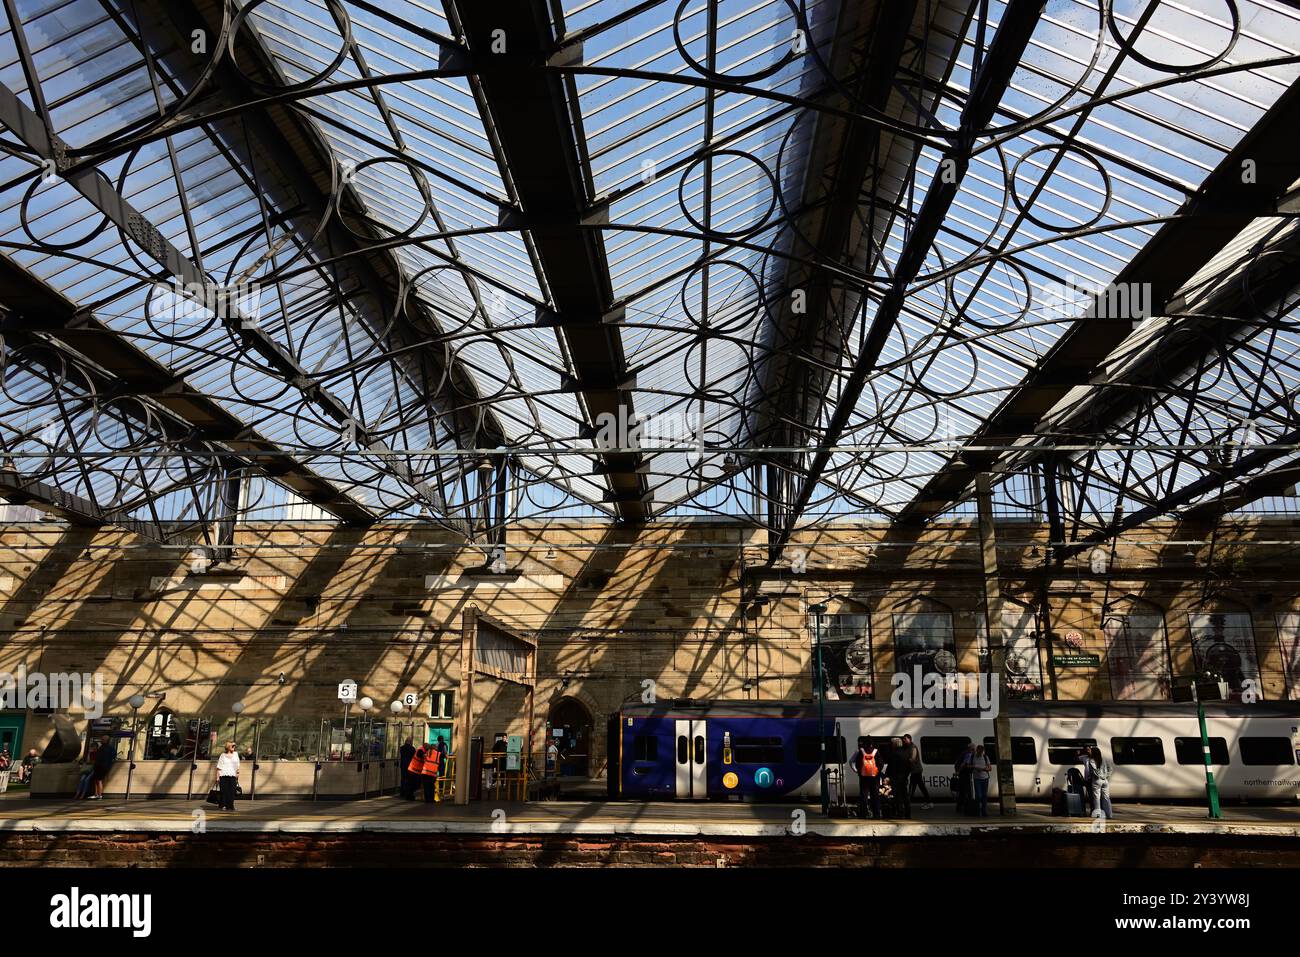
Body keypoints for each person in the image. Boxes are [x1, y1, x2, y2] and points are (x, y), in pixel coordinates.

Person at [882, 736, 912, 819]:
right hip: (904, 778)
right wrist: (906, 775)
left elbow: (891, 767)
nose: (891, 745)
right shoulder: (906, 753)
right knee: (905, 796)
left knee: (897, 796)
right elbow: (909, 766)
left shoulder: (894, 754)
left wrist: (887, 776)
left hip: (896, 778)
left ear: (894, 745)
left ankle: (900, 813)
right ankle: (908, 813)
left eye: (892, 744)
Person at [902, 734, 933, 810]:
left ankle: (907, 804)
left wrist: (905, 761)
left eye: (905, 739)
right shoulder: (908, 747)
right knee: (921, 787)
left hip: (916, 771)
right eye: (903, 739)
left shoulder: (913, 747)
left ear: (910, 739)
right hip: (915, 770)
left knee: (912, 787)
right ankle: (929, 802)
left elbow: (913, 758)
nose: (904, 740)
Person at [852, 737, 881, 820]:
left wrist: (859, 773)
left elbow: (857, 763)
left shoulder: (861, 751)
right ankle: (877, 814)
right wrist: (877, 772)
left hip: (864, 778)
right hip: (874, 778)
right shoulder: (876, 751)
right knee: (875, 796)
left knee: (863, 796)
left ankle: (863, 814)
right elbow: (880, 763)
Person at [1085, 745, 1113, 819]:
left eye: (1091, 751)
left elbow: (1094, 772)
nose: (1090, 752)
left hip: (1097, 781)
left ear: (1093, 752)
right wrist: (1106, 776)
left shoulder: (1092, 760)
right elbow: (1110, 769)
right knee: (1106, 797)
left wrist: (1100, 777)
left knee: (1096, 798)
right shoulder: (1104, 759)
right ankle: (1109, 814)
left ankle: (1098, 814)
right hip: (1105, 781)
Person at [88, 735, 116, 800]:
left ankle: (99, 795)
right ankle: (96, 794)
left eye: (102, 739)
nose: (101, 740)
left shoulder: (103, 748)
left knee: (99, 780)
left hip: (101, 766)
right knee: (96, 780)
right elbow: (114, 756)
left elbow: (99, 757)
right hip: (102, 766)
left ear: (106, 740)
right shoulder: (109, 748)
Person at [968, 744, 993, 816]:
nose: (980, 753)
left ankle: (984, 811)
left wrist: (984, 769)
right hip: (977, 779)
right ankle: (977, 810)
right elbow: (968, 765)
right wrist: (975, 767)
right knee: (978, 795)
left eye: (981, 752)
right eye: (979, 752)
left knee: (984, 795)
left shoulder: (985, 757)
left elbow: (990, 768)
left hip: (985, 778)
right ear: (977, 750)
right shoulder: (972, 757)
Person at [215, 740, 239, 811]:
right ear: (228, 747)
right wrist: (217, 778)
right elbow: (219, 767)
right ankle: (223, 805)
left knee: (232, 791)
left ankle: (231, 806)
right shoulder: (223, 755)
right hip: (223, 775)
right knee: (224, 791)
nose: (234, 747)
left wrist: (238, 774)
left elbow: (238, 766)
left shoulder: (236, 754)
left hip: (233, 775)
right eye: (232, 745)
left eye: (235, 746)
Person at [954, 742, 976, 814]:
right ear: (971, 748)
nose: (975, 750)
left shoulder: (964, 753)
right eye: (974, 748)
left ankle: (960, 807)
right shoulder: (968, 754)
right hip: (964, 774)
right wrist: (958, 772)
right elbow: (963, 764)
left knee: (962, 791)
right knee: (966, 791)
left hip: (962, 774)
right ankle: (966, 807)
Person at [420, 738, 441, 803]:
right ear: (435, 748)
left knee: (426, 787)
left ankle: (427, 799)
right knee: (431, 787)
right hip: (432, 774)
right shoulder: (438, 754)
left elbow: (423, 758)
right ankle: (432, 799)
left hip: (425, 773)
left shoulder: (426, 753)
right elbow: (444, 756)